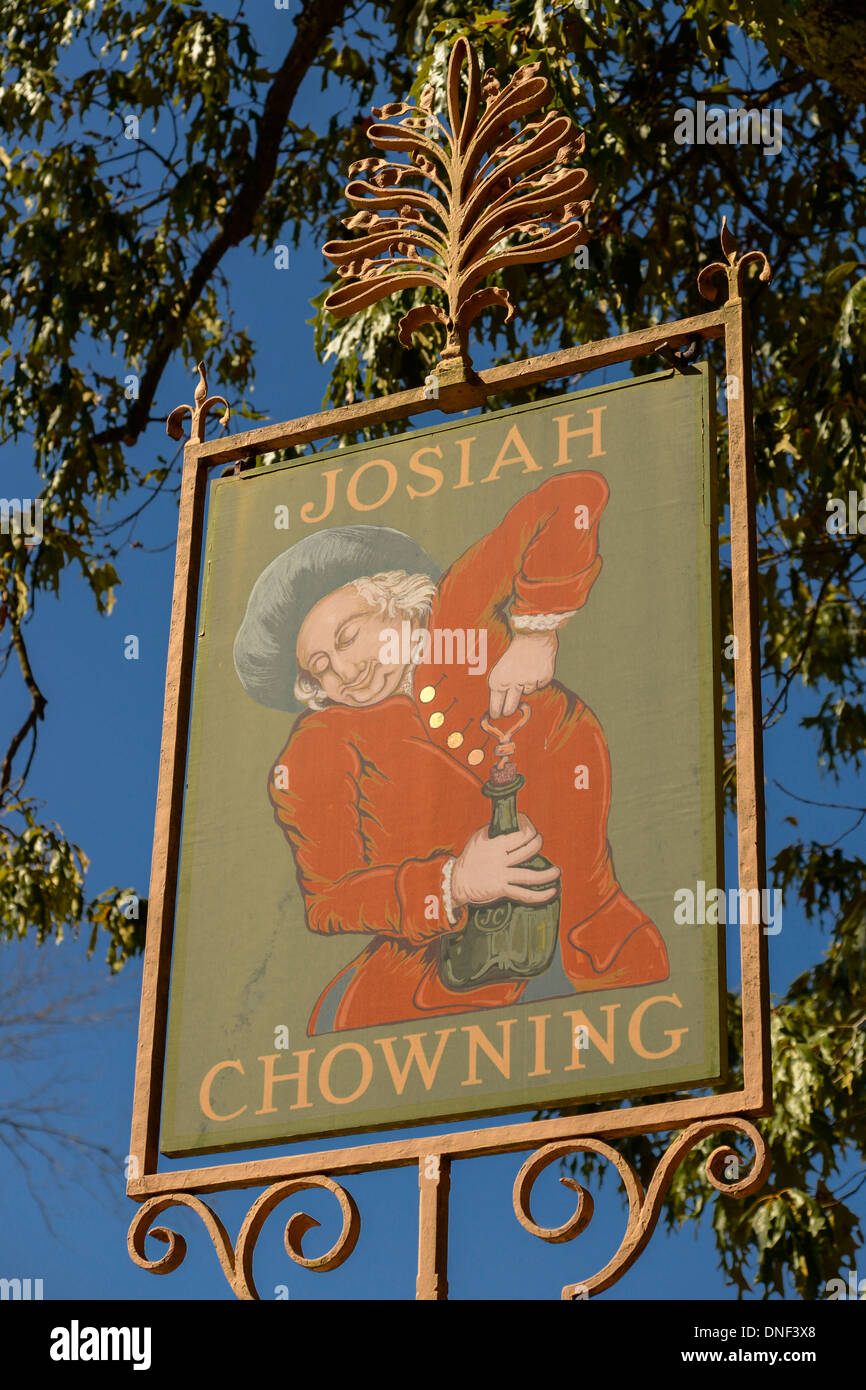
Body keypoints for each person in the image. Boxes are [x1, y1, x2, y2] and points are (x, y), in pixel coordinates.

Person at [233, 471, 669, 1033]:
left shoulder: (462, 614)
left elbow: (572, 496)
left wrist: (537, 632)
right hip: (437, 1000)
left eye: (347, 638)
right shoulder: (319, 747)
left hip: (607, 965)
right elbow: (329, 897)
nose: (344, 671)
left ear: (398, 600)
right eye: (319, 668)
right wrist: (452, 883)